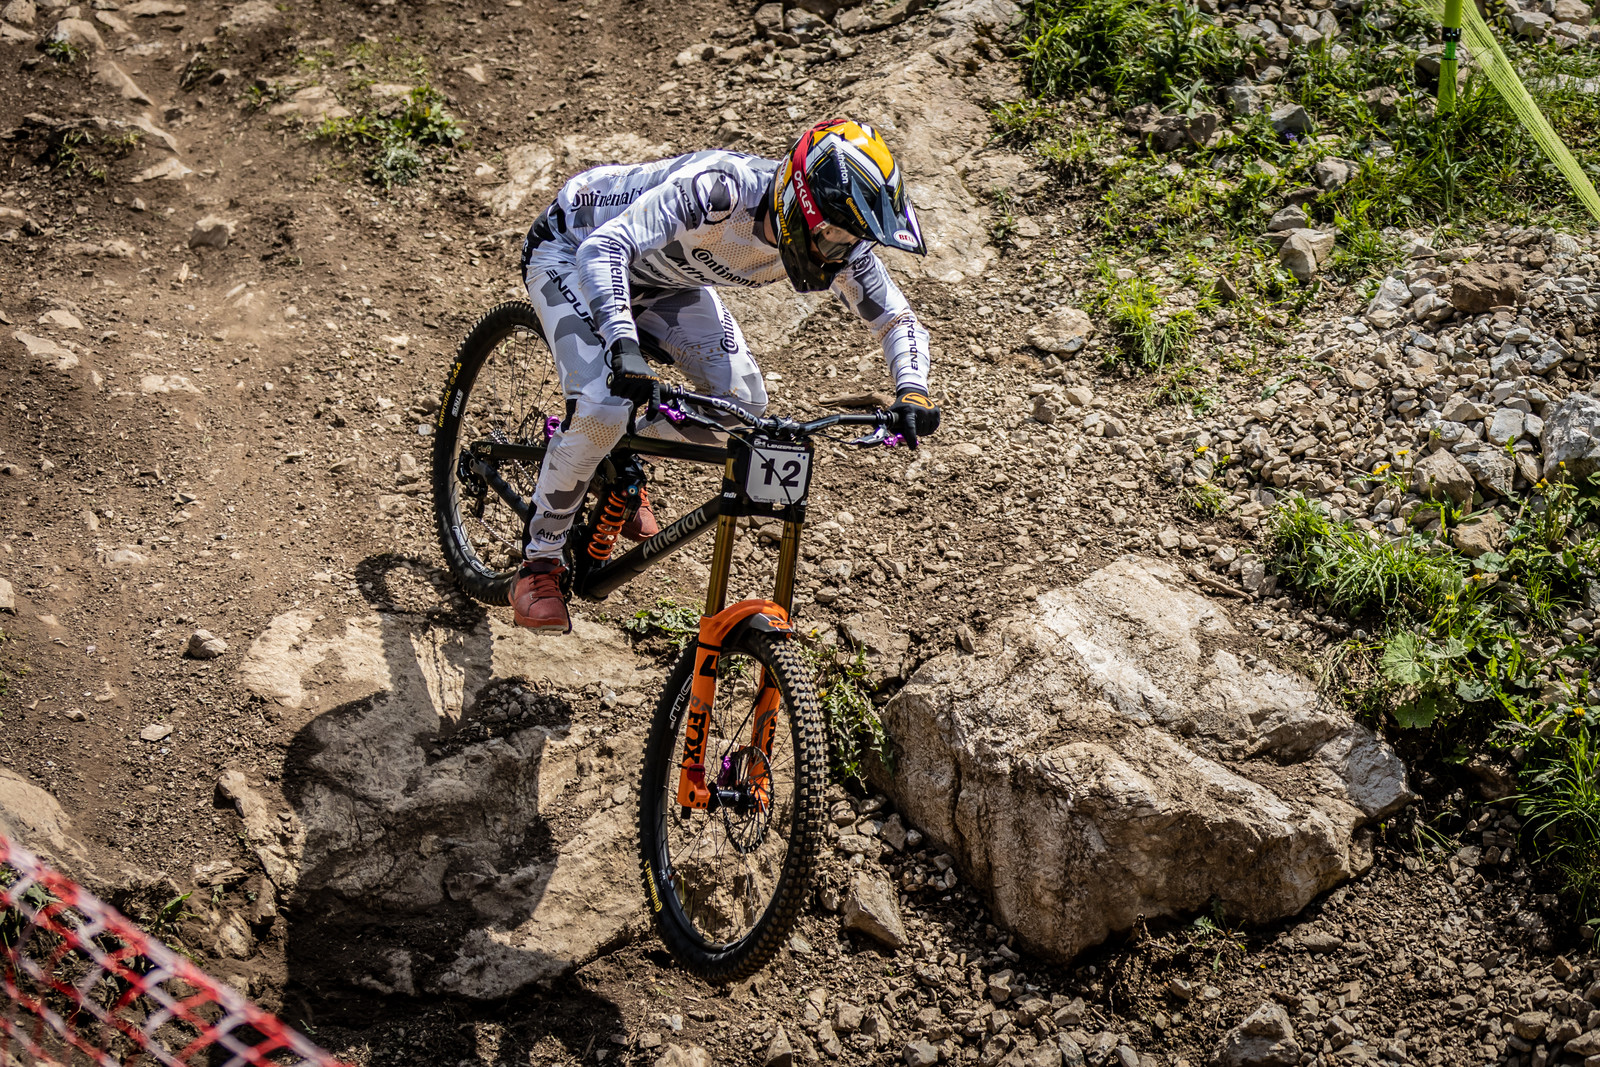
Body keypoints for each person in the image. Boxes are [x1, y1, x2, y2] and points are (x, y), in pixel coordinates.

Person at [512, 118, 941, 632]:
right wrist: (623, 345)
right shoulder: (720, 191)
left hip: (669, 279)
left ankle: (602, 455)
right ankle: (539, 563)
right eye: (831, 236)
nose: (837, 254)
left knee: (742, 405)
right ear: (800, 202)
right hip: (575, 249)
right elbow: (603, 250)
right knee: (604, 404)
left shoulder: (837, 244)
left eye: (851, 241)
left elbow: (897, 319)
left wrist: (911, 391)